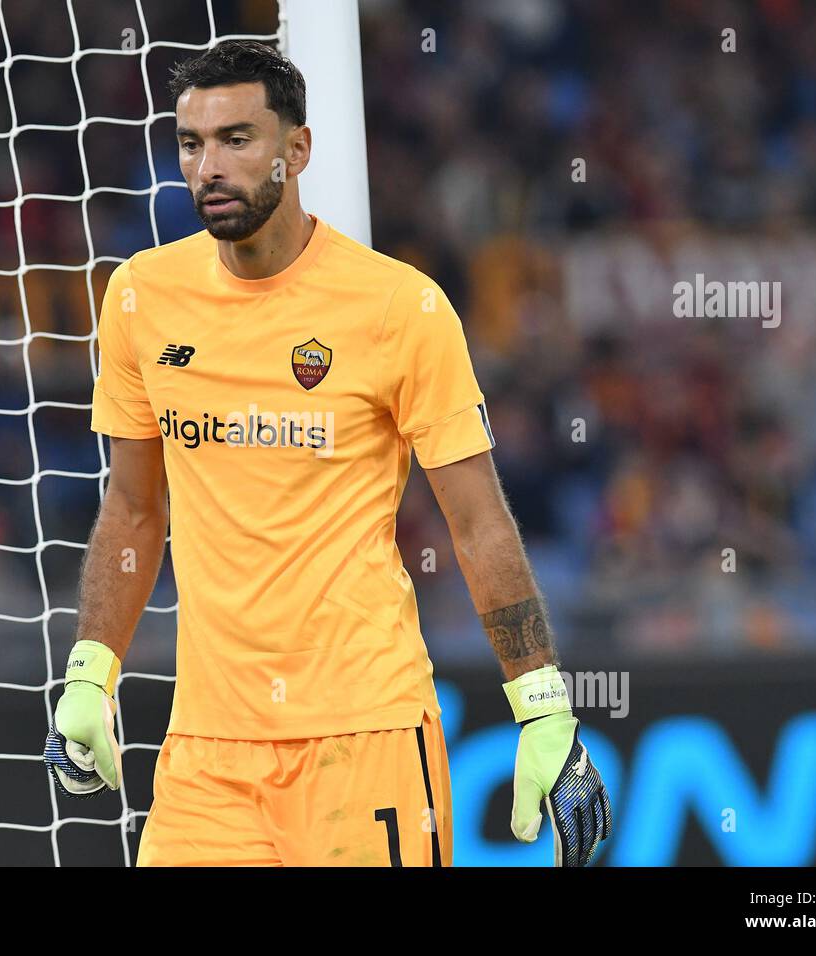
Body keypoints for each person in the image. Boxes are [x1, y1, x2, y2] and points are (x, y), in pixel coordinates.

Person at [44, 39, 611, 867]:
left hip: (365, 733)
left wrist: (543, 706)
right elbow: (134, 507)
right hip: (210, 747)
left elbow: (479, 522)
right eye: (192, 143)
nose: (210, 166)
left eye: (238, 139)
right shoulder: (141, 297)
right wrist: (92, 669)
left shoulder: (398, 308)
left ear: (296, 149)